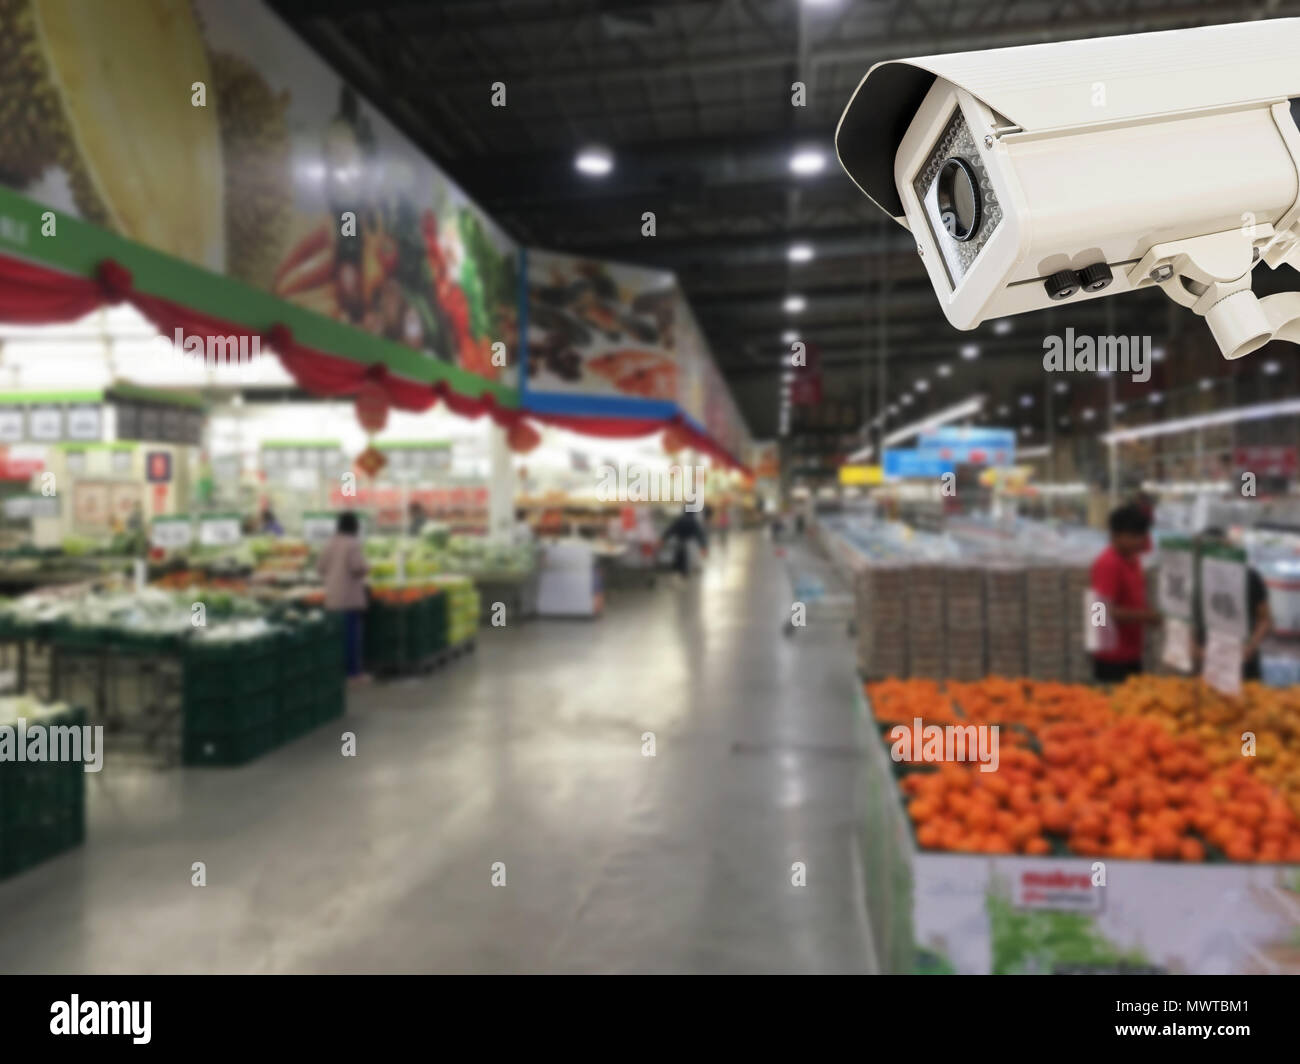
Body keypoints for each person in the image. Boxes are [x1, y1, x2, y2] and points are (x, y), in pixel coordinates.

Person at [1089, 503, 1162, 684]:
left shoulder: (1133, 559)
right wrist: (1146, 616)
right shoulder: (1108, 564)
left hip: (1132, 652)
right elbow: (1099, 613)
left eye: (1142, 536)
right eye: (1134, 536)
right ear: (1115, 535)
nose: (1140, 542)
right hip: (1112, 658)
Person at [1195, 528, 1272, 681]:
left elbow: (1265, 620)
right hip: (1208, 665)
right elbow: (1185, 623)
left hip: (1245, 665)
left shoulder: (1250, 577)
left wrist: (1251, 646)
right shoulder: (1196, 581)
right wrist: (1197, 650)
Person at [318, 511, 369, 681]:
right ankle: (353, 673)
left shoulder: (329, 543)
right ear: (354, 526)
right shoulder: (352, 544)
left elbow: (320, 567)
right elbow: (357, 568)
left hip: (332, 596)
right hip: (349, 598)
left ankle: (336, 670)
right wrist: (367, 567)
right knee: (351, 637)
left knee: (337, 637)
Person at [661, 506, 708, 578]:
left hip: (680, 542)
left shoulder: (680, 519)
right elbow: (699, 534)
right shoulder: (693, 521)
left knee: (680, 559)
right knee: (687, 560)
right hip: (690, 543)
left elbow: (671, 529)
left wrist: (663, 539)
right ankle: (685, 573)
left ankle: (681, 572)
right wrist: (703, 547)